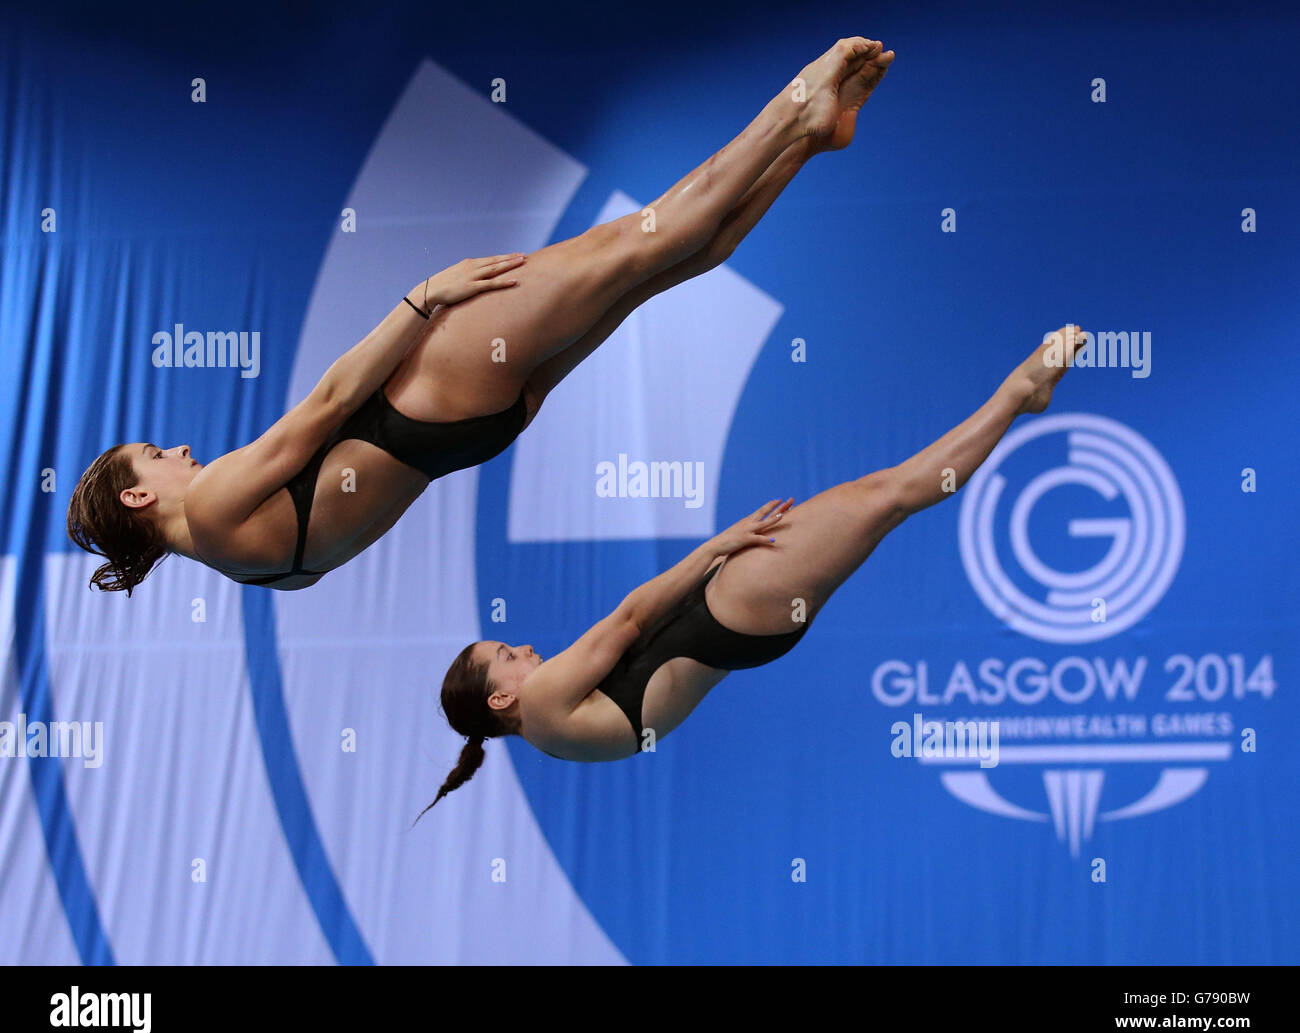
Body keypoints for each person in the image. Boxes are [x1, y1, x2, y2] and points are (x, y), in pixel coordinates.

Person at [67, 37, 895, 592]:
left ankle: (808, 143)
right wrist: (423, 301)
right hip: (439, 387)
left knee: (660, 272)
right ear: (140, 500)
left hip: (474, 432)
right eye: (155, 455)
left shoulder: (252, 575)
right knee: (644, 241)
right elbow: (321, 410)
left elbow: (352, 506)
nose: (177, 448)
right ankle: (796, 103)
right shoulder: (208, 504)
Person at [421, 326, 1087, 818]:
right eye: (506, 654)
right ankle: (1017, 394)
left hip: (735, 628)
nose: (525, 647)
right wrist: (719, 545)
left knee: (887, 502)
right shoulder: (539, 705)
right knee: (891, 493)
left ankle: (1015, 400)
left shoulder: (551, 737)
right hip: (726, 613)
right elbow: (629, 619)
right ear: (500, 698)